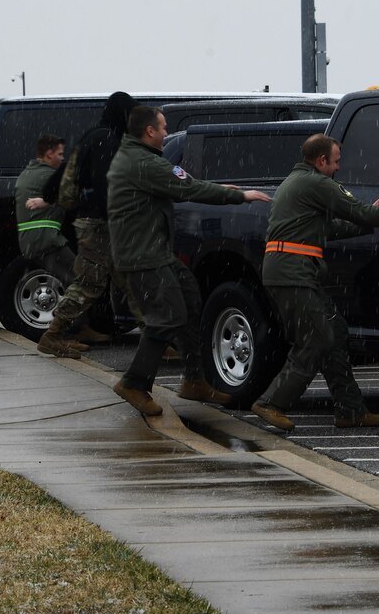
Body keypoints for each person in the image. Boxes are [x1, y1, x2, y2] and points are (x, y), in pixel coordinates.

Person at [251, 133, 379, 432]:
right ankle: (272, 402)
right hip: (294, 274)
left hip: (294, 272)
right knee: (317, 338)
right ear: (321, 161)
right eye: (336, 162)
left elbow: (333, 228)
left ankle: (350, 410)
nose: (338, 168)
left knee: (335, 332)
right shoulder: (317, 183)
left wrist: (373, 218)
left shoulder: (298, 183)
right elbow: (354, 209)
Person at [107, 106, 271, 416]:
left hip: (154, 251)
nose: (167, 133)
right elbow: (188, 187)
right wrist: (240, 196)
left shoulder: (137, 159)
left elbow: (183, 185)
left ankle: (194, 379)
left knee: (191, 301)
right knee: (166, 318)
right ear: (149, 131)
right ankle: (134, 383)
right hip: (143, 256)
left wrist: (220, 189)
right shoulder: (143, 163)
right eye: (163, 127)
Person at [35, 91, 137, 359]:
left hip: (94, 222)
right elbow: (107, 187)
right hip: (100, 226)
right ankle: (53, 335)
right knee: (89, 284)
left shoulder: (92, 136)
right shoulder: (108, 139)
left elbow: (53, 187)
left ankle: (158, 341)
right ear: (124, 114)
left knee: (130, 282)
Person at [14, 134, 74, 284]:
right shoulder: (50, 176)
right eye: (60, 154)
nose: (62, 158)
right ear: (49, 154)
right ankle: (68, 308)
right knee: (81, 282)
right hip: (47, 241)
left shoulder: (26, 174)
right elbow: (73, 197)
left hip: (31, 242)